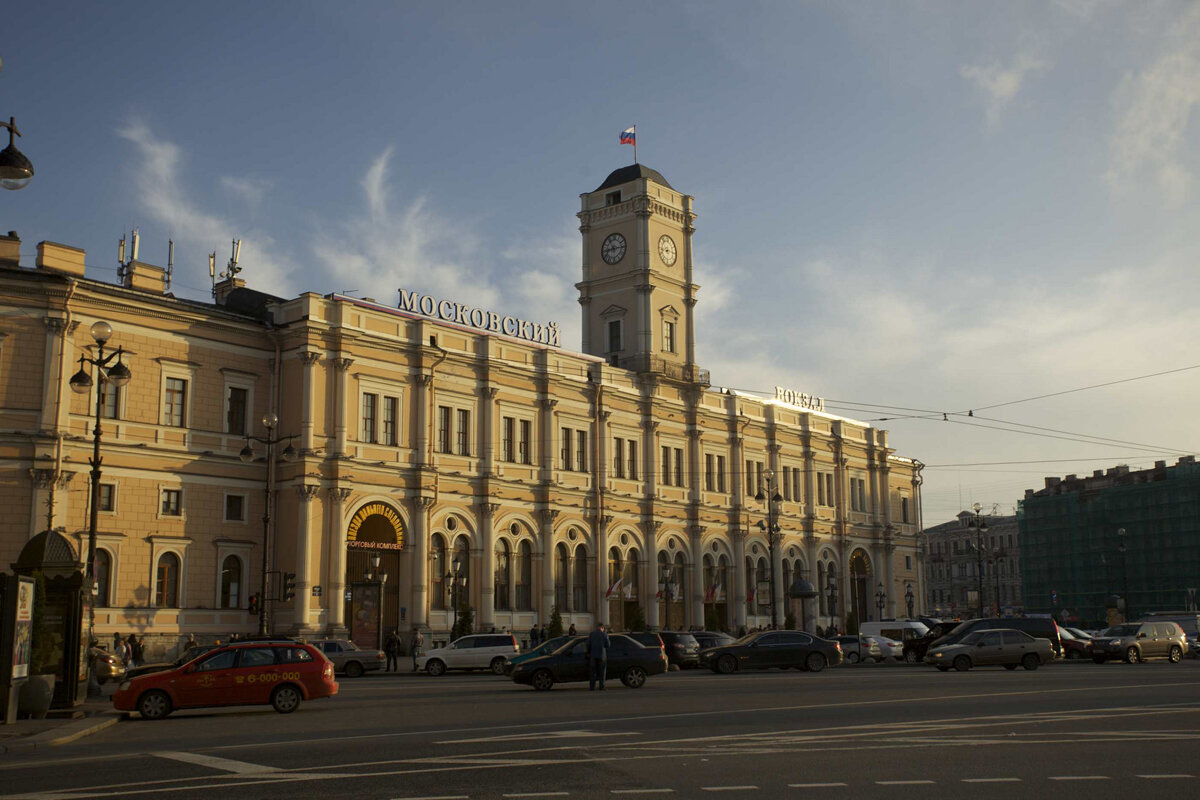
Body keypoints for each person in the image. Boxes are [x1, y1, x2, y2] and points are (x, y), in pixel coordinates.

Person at [585, 622, 610, 691]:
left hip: (593, 655)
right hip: (602, 656)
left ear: (597, 627)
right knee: (602, 672)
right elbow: (608, 645)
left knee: (592, 672)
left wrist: (589, 652)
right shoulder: (604, 634)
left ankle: (592, 687)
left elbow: (587, 644)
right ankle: (601, 686)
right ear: (602, 628)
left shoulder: (592, 634)